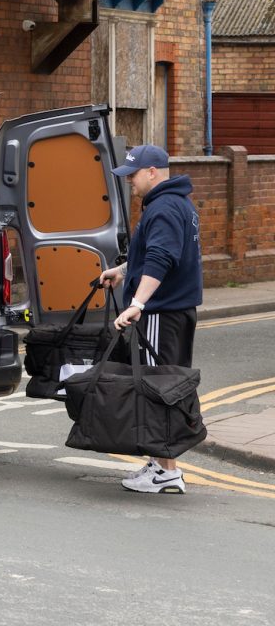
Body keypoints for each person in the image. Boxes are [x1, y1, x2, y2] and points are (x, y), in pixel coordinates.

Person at [98, 143, 203, 495]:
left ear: (153, 172)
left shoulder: (162, 208)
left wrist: (138, 303)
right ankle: (161, 464)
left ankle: (165, 471)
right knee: (168, 386)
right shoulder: (179, 204)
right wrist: (124, 270)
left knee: (158, 389)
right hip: (176, 311)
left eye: (133, 175)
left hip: (161, 312)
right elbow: (158, 255)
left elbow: (161, 259)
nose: (129, 181)